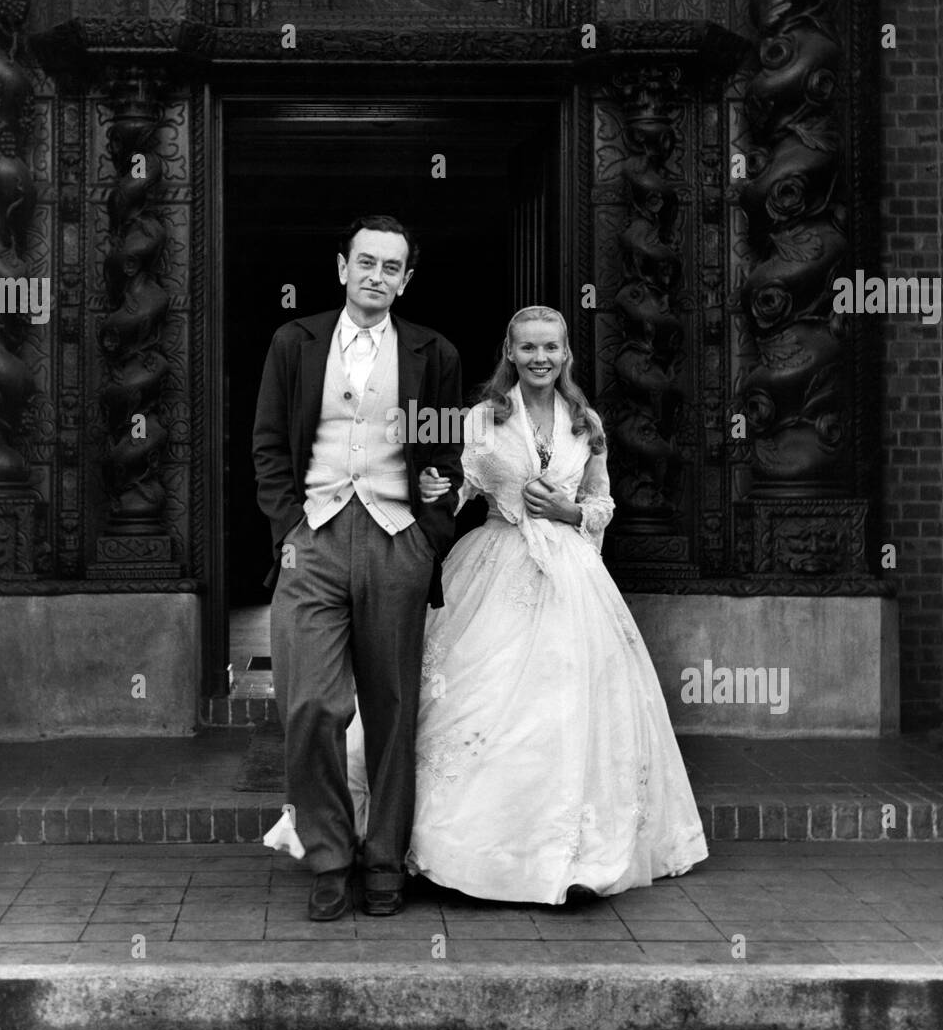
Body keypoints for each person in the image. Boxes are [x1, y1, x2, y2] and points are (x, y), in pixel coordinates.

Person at [350, 305, 707, 904]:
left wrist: (568, 514)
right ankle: (463, 851)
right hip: (495, 561)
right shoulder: (483, 420)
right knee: (475, 698)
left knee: (565, 706)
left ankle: (560, 854)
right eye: (528, 347)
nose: (540, 357)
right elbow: (457, 484)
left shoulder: (584, 422)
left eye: (551, 347)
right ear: (510, 354)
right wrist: (436, 488)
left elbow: (601, 504)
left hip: (570, 575)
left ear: (566, 355)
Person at [254, 216, 463, 920]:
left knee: (391, 707)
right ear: (342, 266)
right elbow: (267, 447)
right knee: (310, 704)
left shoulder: (434, 352)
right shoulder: (295, 342)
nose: (377, 276)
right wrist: (288, 527)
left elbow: (444, 454)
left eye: (391, 267)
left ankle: (382, 859)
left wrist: (427, 534)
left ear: (407, 279)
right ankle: (328, 854)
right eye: (365, 262)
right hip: (311, 538)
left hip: (395, 538)